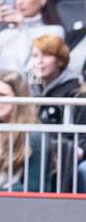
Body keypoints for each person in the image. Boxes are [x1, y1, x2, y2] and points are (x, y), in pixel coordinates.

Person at [30, 34, 84, 193]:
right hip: (37, 149)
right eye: (35, 56)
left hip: (63, 154)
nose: (39, 61)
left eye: (46, 55)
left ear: (60, 60)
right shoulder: (32, 84)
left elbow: (80, 136)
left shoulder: (74, 91)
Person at [0, 0, 65, 73]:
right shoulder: (5, 34)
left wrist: (22, 26)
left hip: (30, 86)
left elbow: (35, 70)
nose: (19, 2)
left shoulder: (55, 32)